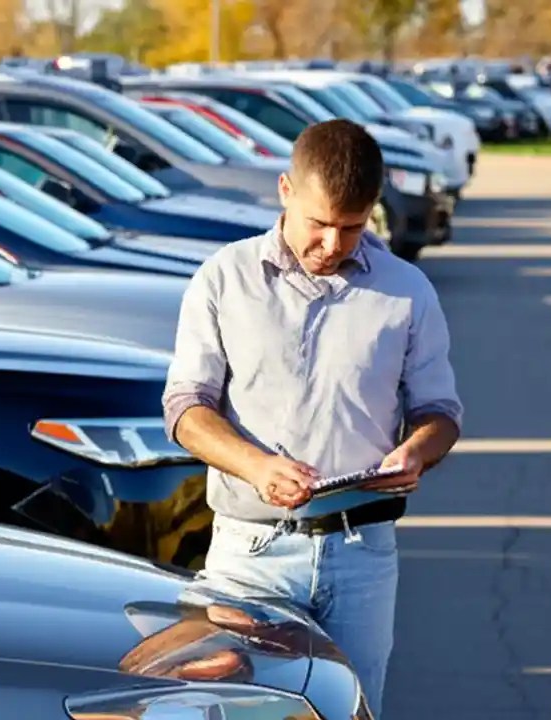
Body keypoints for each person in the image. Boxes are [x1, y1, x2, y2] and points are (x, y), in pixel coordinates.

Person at [161, 118, 462, 718]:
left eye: (350, 228)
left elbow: (440, 412)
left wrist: (417, 451)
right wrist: (256, 467)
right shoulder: (224, 279)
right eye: (319, 224)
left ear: (372, 211)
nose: (331, 244)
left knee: (352, 709)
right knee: (245, 711)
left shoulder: (408, 292)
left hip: (363, 554)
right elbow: (185, 409)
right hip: (251, 554)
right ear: (285, 192)